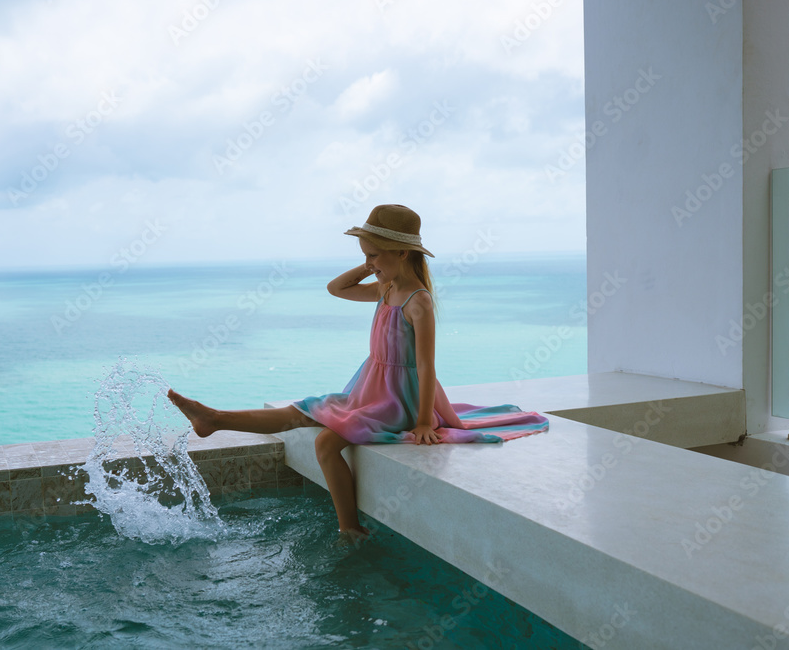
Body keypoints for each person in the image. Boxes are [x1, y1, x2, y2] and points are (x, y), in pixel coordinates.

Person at [168, 204, 549, 540]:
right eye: (366, 256)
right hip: (370, 386)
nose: (370, 264)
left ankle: (349, 527)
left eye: (374, 256)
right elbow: (337, 287)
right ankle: (214, 418)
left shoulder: (419, 302)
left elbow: (426, 365)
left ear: (402, 252)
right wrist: (371, 264)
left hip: (401, 397)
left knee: (325, 442)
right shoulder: (384, 287)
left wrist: (422, 423)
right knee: (302, 410)